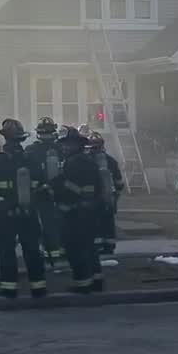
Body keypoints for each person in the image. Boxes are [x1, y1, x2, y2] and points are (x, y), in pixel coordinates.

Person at [0, 119, 47, 298]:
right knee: (32, 250)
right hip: (29, 212)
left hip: (5, 213)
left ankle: (9, 289)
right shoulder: (31, 160)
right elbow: (41, 186)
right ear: (21, 140)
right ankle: (38, 287)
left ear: (6, 140)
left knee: (6, 251)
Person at [51, 125, 102, 293]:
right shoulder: (85, 160)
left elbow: (74, 189)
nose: (64, 147)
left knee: (75, 248)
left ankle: (82, 284)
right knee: (89, 248)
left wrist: (58, 183)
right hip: (89, 212)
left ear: (77, 144)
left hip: (77, 213)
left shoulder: (75, 162)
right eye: (63, 144)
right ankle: (96, 281)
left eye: (68, 144)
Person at [24, 117, 65, 264]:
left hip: (39, 194)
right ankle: (60, 252)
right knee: (60, 222)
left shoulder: (31, 150)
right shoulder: (62, 148)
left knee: (44, 224)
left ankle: (50, 254)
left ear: (38, 133)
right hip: (61, 193)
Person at [87, 132, 126, 256]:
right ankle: (109, 246)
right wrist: (115, 198)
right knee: (108, 223)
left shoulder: (86, 161)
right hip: (109, 198)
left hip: (94, 199)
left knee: (95, 223)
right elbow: (119, 183)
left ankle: (97, 246)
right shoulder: (111, 161)